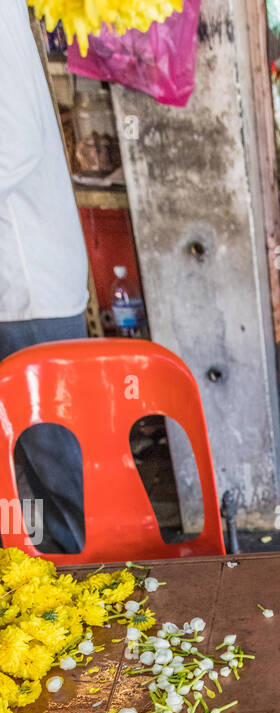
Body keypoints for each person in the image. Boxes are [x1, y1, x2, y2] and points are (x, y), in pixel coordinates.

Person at [0, 0, 89, 553]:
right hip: (17, 281)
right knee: (38, 458)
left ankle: (102, 598)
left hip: (25, 283)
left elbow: (12, 144)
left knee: (59, 461)